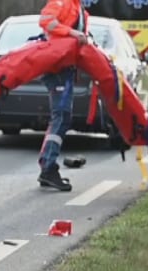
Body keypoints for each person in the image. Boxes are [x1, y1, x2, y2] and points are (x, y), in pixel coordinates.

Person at [34, 0, 92, 192]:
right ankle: (48, 168)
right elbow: (46, 20)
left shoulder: (78, 8)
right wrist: (72, 32)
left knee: (61, 118)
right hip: (57, 67)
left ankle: (47, 166)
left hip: (64, 68)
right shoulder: (64, 2)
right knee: (61, 117)